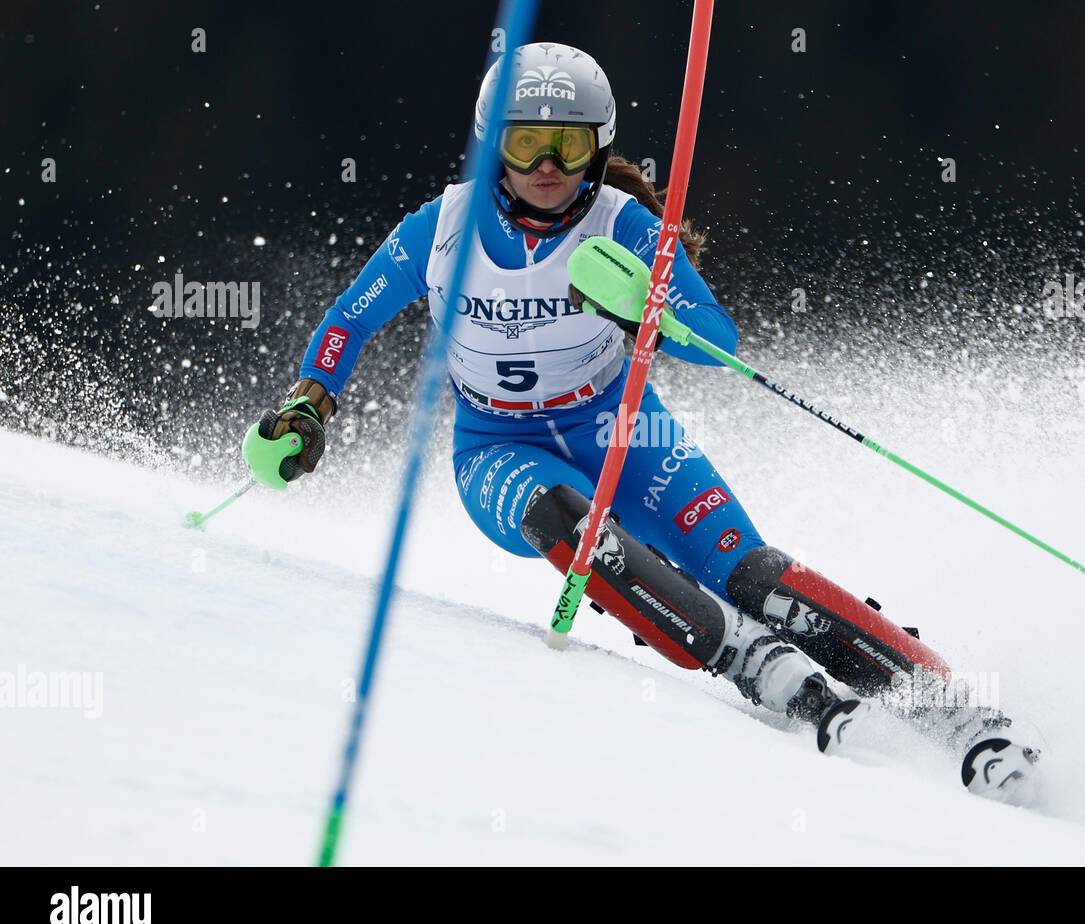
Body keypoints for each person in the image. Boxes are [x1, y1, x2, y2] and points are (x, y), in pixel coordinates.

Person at [244, 42, 1036, 798]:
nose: (548, 167)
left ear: (599, 148)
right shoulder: (441, 228)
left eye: (568, 145)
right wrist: (311, 402)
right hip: (498, 444)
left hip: (623, 427)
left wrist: (644, 310)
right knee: (569, 522)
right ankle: (757, 667)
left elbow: (719, 338)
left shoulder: (622, 225)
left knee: (753, 573)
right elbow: (350, 318)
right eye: (526, 146)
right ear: (494, 149)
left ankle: (959, 714)